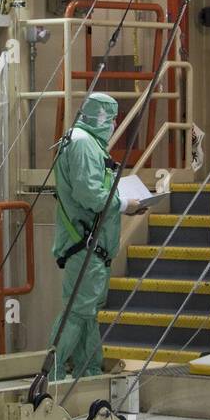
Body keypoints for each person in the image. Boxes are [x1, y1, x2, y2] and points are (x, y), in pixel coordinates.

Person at [51, 93, 143, 380]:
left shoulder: (84, 142)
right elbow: (89, 193)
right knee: (77, 313)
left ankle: (88, 370)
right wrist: (123, 204)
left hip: (92, 246)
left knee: (86, 312)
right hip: (85, 245)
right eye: (113, 119)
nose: (115, 124)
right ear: (103, 118)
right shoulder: (83, 145)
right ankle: (50, 372)